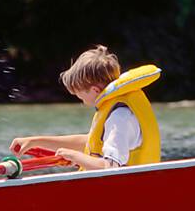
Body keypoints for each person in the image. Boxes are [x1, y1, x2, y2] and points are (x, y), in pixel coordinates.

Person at [11, 45, 161, 170]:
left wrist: (74, 156)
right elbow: (89, 142)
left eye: (80, 95)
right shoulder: (114, 111)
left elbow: (110, 168)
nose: (80, 100)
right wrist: (34, 141)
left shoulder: (119, 117)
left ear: (95, 90)